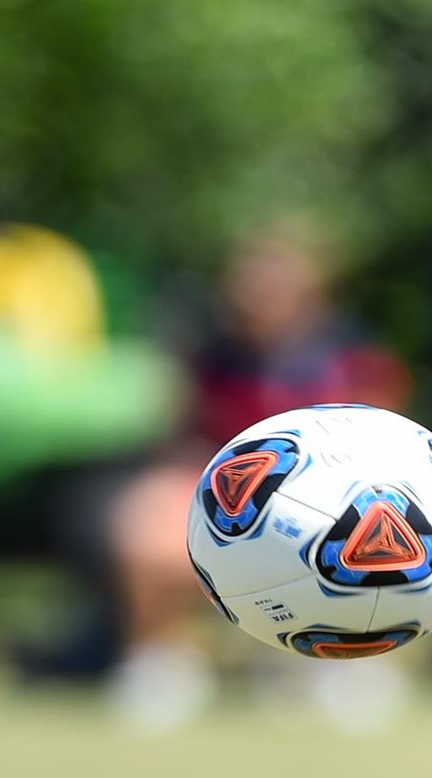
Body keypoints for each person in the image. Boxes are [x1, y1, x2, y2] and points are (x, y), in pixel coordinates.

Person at [103, 217, 409, 729]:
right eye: (250, 283)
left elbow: (390, 448)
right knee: (147, 519)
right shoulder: (211, 357)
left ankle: (349, 660)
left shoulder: (352, 356)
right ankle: (159, 661)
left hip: (336, 498)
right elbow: (184, 442)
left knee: (366, 526)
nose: (258, 295)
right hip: (227, 492)